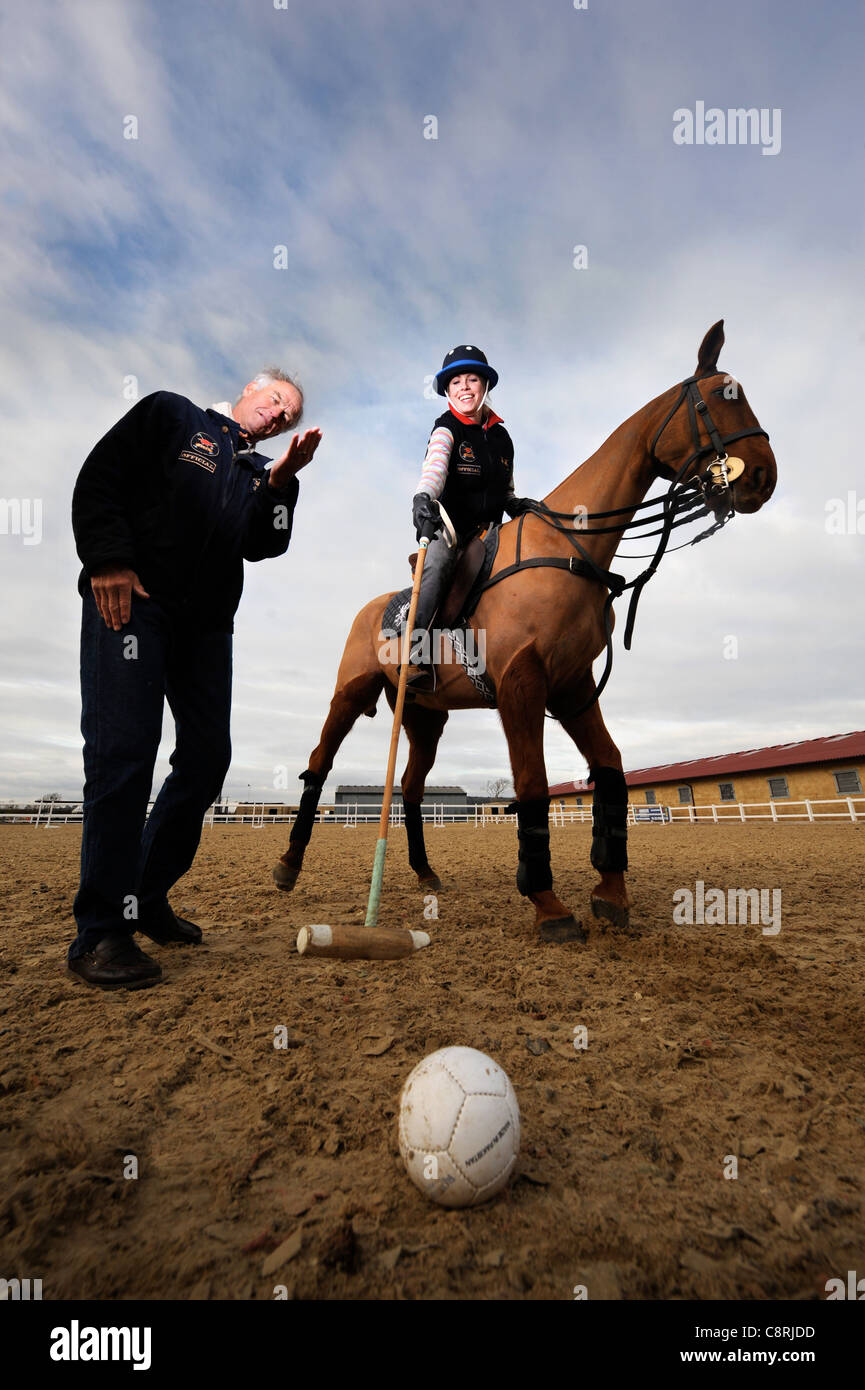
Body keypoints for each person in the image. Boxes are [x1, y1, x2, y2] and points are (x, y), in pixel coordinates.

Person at [68, 370, 322, 989]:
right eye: (275, 399)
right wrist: (108, 558)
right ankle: (102, 931)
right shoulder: (173, 416)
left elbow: (266, 545)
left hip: (205, 627)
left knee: (208, 758)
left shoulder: (267, 473)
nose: (279, 415)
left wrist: (281, 485)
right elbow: (101, 475)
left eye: (288, 414)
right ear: (249, 388)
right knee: (125, 753)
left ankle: (145, 896)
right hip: (134, 602)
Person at [407, 344, 532, 689]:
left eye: (472, 379)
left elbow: (505, 488)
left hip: (492, 532)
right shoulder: (446, 428)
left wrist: (515, 503)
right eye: (456, 381)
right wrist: (423, 497)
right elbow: (434, 468)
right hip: (451, 531)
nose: (464, 387)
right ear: (448, 390)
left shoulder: (503, 437)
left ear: (484, 386)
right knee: (436, 563)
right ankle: (414, 650)